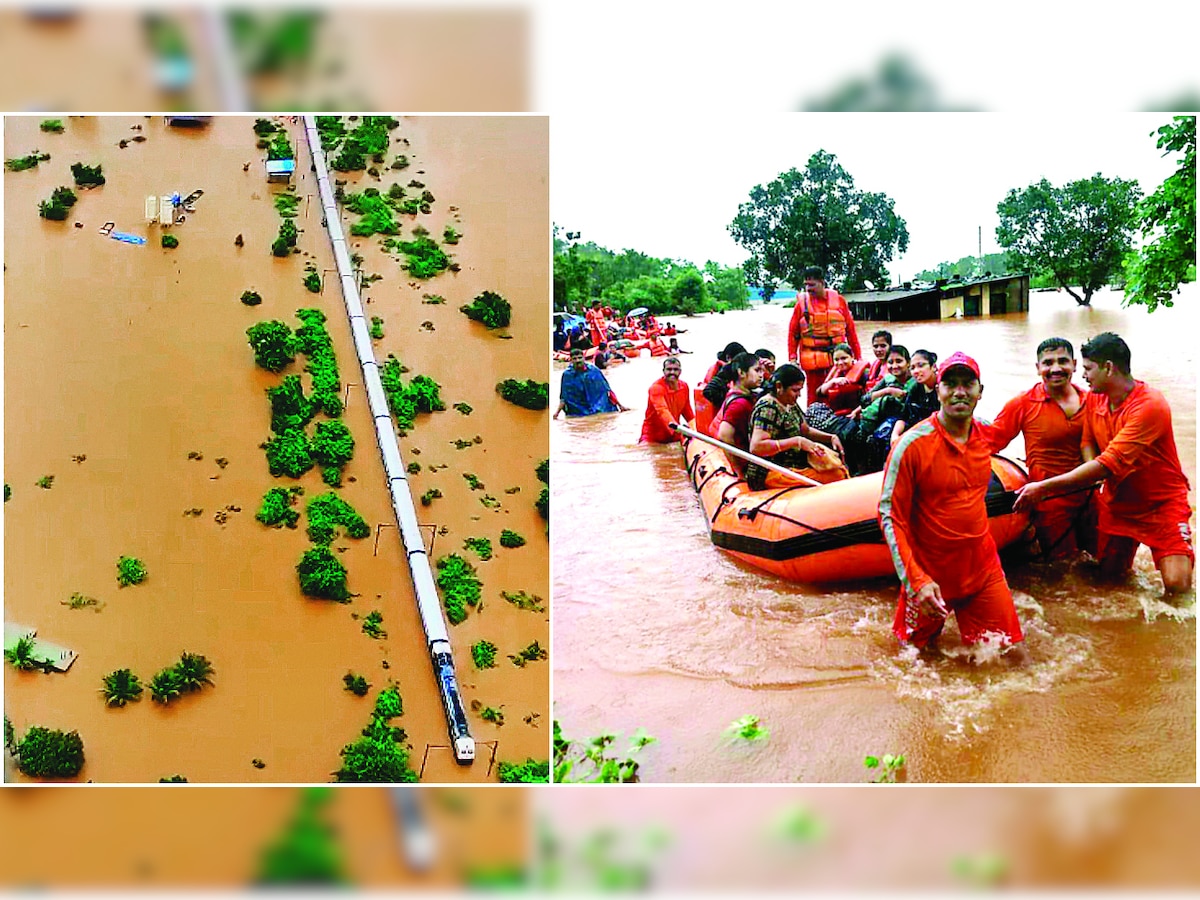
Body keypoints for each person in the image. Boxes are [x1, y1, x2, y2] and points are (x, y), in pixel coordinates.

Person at [879, 351, 1031, 666]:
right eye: (951, 384)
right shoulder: (911, 445)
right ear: (939, 390)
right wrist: (916, 580)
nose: (959, 391)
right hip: (930, 575)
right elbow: (890, 517)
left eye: (967, 384)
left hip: (982, 570)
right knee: (912, 662)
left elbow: (1018, 417)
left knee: (1015, 661)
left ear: (980, 391)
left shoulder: (986, 436)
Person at [1015, 332, 1193, 595]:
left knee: (1178, 587)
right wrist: (1094, 477)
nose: (1083, 376)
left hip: (1160, 503)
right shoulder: (1096, 397)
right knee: (1110, 582)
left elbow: (1107, 464)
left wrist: (1043, 487)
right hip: (1117, 502)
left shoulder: (1149, 406)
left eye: (1087, 369)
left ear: (1108, 368)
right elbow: (1087, 441)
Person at [988, 338, 1096, 559]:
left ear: (1075, 365)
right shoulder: (1022, 403)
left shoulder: (1094, 400)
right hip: (1048, 502)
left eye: (1063, 361)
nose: (1055, 368)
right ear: (1038, 368)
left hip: (1091, 497)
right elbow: (989, 442)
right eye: (1048, 363)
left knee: (1102, 564)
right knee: (1064, 571)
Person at [745, 365, 848, 490]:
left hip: (795, 464)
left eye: (800, 390)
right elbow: (757, 447)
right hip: (771, 471)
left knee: (839, 468)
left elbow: (806, 431)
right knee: (838, 476)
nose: (799, 395)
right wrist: (796, 441)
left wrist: (831, 438)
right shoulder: (768, 407)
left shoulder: (790, 403)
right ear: (779, 387)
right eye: (795, 390)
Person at [786, 266, 862, 405]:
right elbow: (793, 334)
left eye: (812, 285)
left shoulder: (839, 301)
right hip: (813, 362)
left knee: (839, 395)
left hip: (838, 361)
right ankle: (813, 422)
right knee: (814, 398)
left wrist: (858, 358)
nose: (808, 289)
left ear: (822, 282)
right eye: (806, 285)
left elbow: (851, 332)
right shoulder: (801, 306)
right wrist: (792, 359)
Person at [711, 352, 765, 472]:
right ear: (741, 373)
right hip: (750, 465)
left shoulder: (741, 396)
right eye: (757, 370)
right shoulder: (739, 404)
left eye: (762, 371)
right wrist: (738, 470)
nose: (762, 375)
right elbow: (724, 435)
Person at [554, 348, 628, 418]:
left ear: (584, 358)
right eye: (575, 358)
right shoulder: (567, 375)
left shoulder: (594, 371)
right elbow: (564, 396)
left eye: (580, 358)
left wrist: (620, 405)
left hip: (599, 408)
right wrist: (557, 413)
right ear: (571, 360)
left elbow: (607, 390)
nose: (577, 360)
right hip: (578, 411)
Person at [890, 349, 940, 448]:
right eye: (912, 368)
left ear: (933, 367)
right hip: (915, 434)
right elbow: (903, 416)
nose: (916, 371)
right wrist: (894, 436)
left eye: (921, 365)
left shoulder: (944, 389)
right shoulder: (916, 387)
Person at [640, 356, 695, 443]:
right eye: (669, 369)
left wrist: (695, 430)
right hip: (652, 436)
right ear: (663, 371)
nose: (672, 372)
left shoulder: (684, 386)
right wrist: (677, 430)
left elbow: (688, 412)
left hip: (673, 432)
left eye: (675, 369)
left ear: (680, 371)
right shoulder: (656, 388)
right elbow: (662, 411)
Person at [815, 343, 869, 414]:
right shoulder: (835, 373)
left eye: (844, 358)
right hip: (837, 411)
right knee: (813, 409)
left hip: (857, 411)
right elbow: (819, 392)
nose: (840, 362)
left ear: (852, 357)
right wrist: (833, 382)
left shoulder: (864, 373)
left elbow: (870, 396)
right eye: (836, 360)